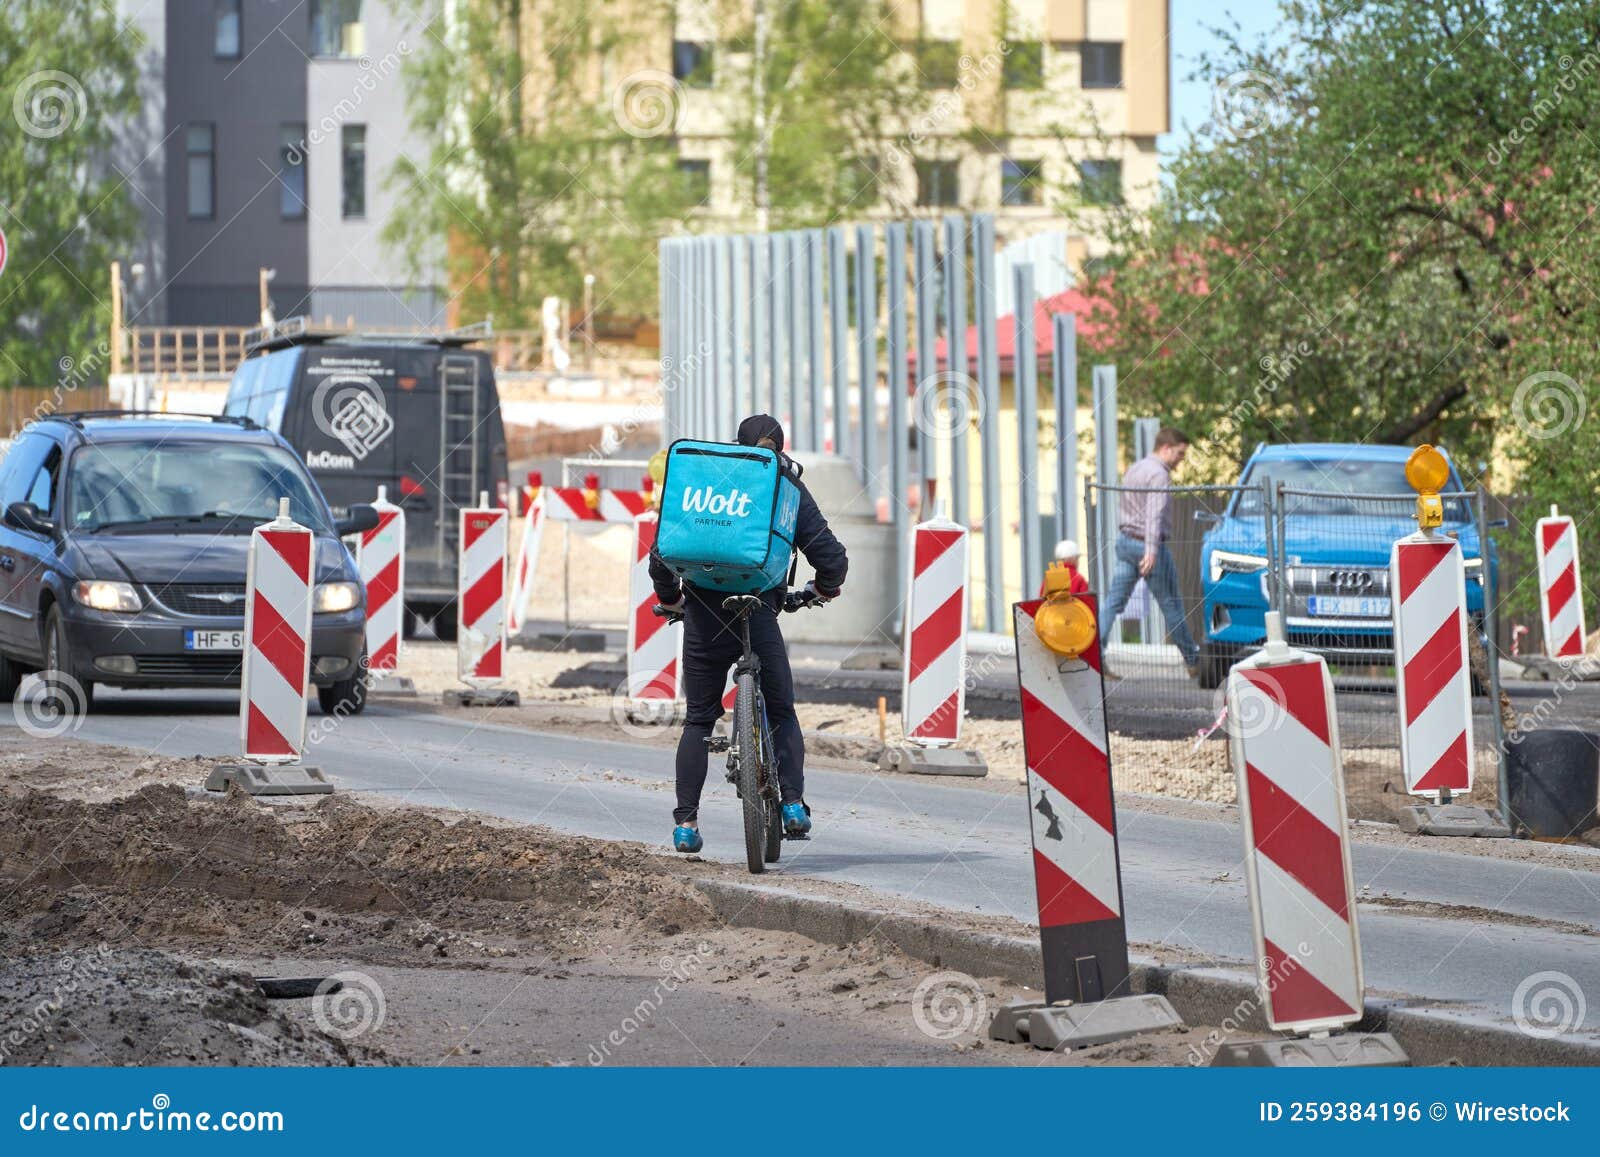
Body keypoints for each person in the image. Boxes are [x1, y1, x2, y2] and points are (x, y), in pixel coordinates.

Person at [649, 414, 848, 854]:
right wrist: (822, 588)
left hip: (703, 612)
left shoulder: (706, 479)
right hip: (759, 610)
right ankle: (793, 805)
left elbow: (661, 554)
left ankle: (686, 825)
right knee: (781, 713)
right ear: (780, 444)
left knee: (699, 721)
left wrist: (672, 599)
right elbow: (831, 556)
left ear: (735, 442)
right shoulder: (785, 485)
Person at [1099, 427, 1200, 676]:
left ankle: (1093, 658)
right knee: (1171, 605)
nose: (1180, 460)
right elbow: (1154, 514)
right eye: (1179, 454)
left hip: (1125, 541)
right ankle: (1194, 661)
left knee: (1112, 604)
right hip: (1148, 546)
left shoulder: (1135, 468)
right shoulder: (1159, 475)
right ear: (1166, 448)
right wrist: (1152, 550)